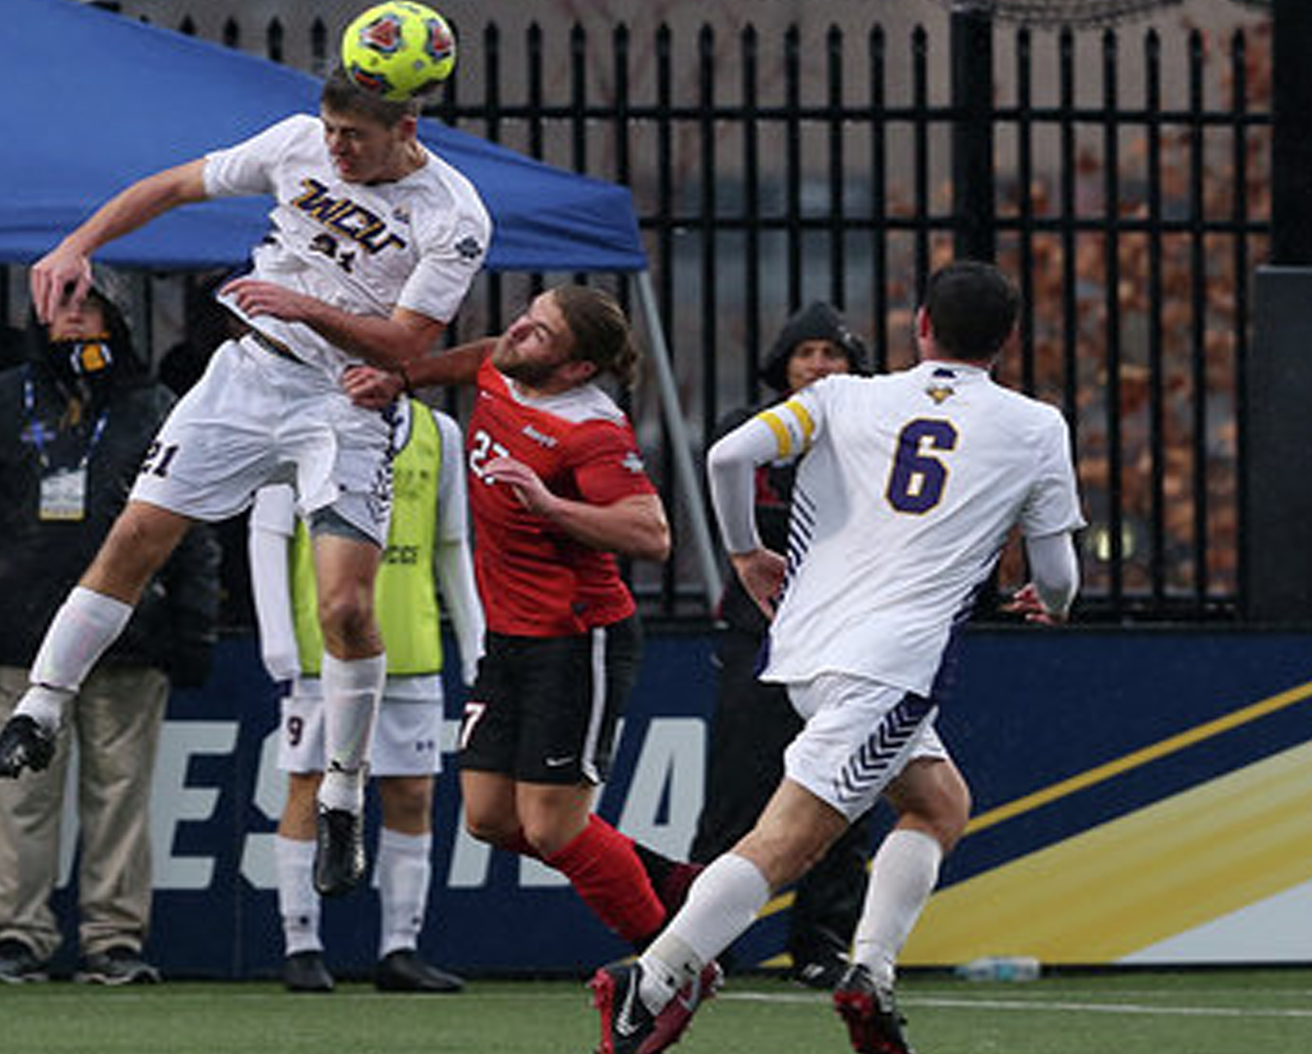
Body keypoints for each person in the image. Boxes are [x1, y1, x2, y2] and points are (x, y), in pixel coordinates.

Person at [0, 64, 491, 905]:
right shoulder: (295, 144)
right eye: (330, 131)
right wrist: (79, 244)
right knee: (136, 534)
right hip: (247, 377)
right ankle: (39, 707)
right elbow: (174, 184)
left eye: (354, 137)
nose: (336, 149)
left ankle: (342, 793)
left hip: (346, 401)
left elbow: (404, 345)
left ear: (406, 130)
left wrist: (302, 305)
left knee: (346, 610)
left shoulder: (455, 216)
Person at [589, 261, 1084, 1054]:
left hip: (809, 648)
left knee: (939, 804)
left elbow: (725, 458)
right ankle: (647, 981)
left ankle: (870, 977)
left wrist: (747, 553)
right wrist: (1052, 605)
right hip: (887, 669)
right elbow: (1056, 574)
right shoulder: (1034, 425)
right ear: (1011, 339)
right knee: (784, 842)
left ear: (920, 325)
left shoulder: (840, 396)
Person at [342, 285, 704, 980]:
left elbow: (650, 533)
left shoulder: (590, 428)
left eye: (540, 335)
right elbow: (485, 355)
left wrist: (549, 505)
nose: (517, 335)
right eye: (526, 320)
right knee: (488, 819)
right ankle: (665, 878)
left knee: (552, 826)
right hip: (508, 638)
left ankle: (676, 965)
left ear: (574, 370)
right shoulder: (508, 365)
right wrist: (405, 376)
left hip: (577, 640)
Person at [0, 283, 220, 985]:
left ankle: (113, 939)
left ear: (117, 321)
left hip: (132, 638)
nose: (74, 316)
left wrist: (195, 625)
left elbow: (194, 524)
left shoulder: (152, 405)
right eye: (62, 305)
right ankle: (18, 936)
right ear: (37, 319)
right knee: (18, 794)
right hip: (19, 634)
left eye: (90, 306)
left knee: (121, 795)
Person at [249, 395, 481, 994]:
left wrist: (475, 645)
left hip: (411, 648)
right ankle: (301, 944)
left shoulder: (439, 432)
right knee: (307, 786)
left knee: (412, 793)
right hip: (321, 650)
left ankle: (400, 948)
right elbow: (268, 531)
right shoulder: (298, 417)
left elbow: (452, 542)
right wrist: (277, 639)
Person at [689, 301, 875, 986]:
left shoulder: (876, 442)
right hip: (759, 642)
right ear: (784, 366)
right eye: (808, 355)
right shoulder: (749, 433)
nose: (820, 367)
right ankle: (704, 945)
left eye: (834, 355)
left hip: (849, 644)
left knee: (843, 804)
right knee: (736, 798)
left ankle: (822, 944)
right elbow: (727, 464)